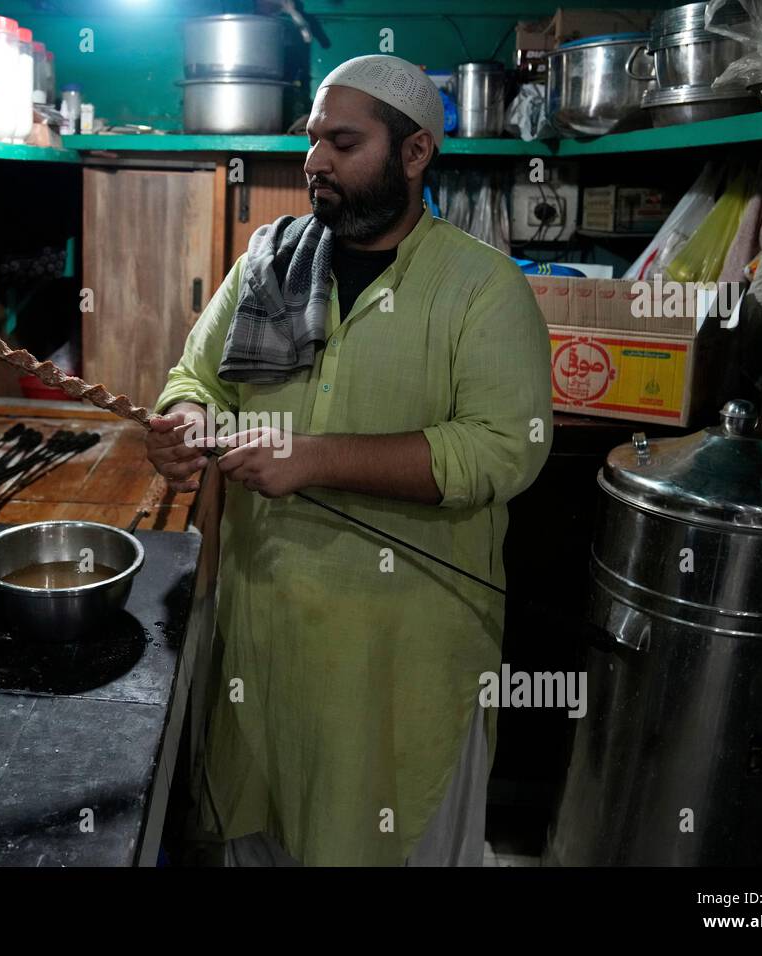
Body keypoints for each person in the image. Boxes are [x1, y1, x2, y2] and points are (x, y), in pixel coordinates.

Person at [144, 55, 553, 866]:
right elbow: (197, 377)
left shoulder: (484, 289)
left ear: (415, 152)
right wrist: (184, 421)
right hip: (264, 636)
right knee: (262, 838)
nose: (314, 161)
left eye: (343, 141)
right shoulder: (270, 262)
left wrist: (315, 457)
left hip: (400, 657)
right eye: (311, 139)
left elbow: (506, 450)